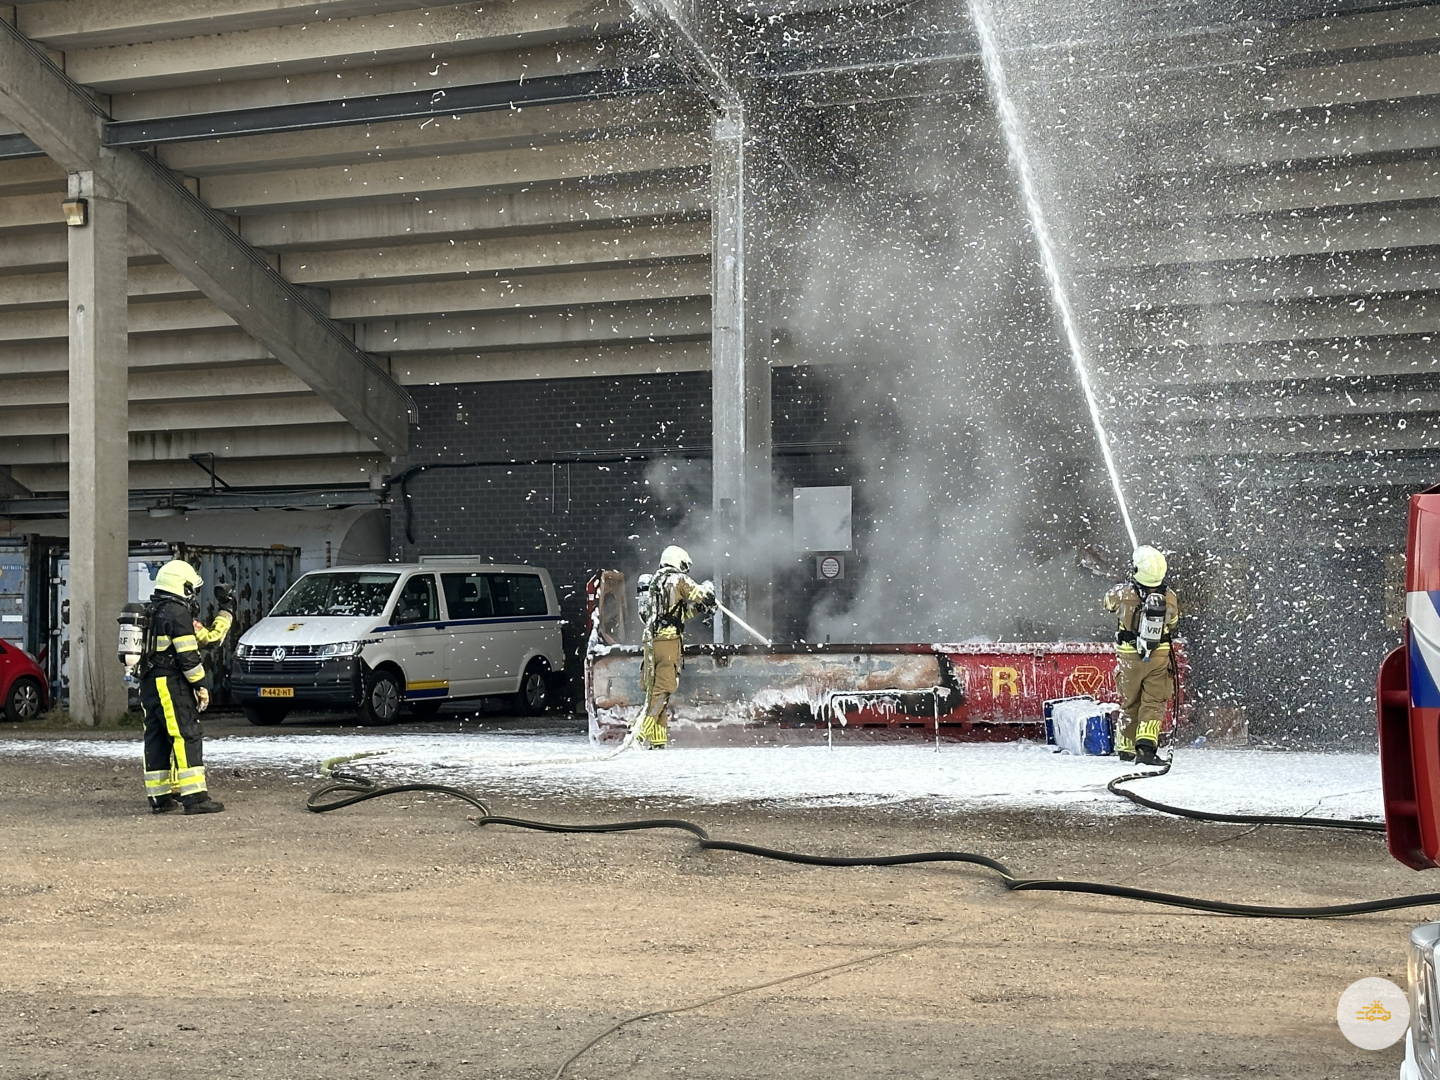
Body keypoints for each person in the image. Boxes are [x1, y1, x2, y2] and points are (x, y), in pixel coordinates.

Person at [139, 560, 227, 814]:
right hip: (170, 683)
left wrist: (226, 613)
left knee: (156, 737)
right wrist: (200, 685)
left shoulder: (150, 610)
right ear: (184, 587)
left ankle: (159, 797)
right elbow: (188, 657)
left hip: (148, 683)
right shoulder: (176, 613)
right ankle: (195, 798)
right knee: (186, 734)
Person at [633, 545, 716, 749]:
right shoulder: (677, 579)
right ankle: (640, 733)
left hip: (651, 642)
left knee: (655, 689)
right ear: (678, 561)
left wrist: (699, 608)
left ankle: (658, 740)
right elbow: (699, 592)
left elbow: (677, 615)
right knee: (665, 687)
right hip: (668, 643)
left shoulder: (655, 581)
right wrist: (709, 594)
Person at [1104, 545, 1180, 766]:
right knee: (1153, 701)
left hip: (1129, 657)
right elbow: (1173, 622)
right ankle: (1146, 748)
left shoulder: (1121, 593)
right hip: (1159, 655)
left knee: (1130, 701)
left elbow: (1107, 603)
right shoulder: (1169, 597)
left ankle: (1126, 748)